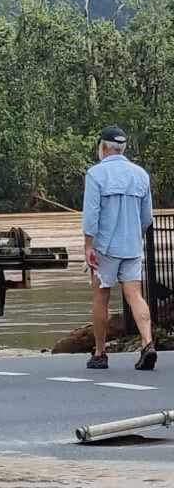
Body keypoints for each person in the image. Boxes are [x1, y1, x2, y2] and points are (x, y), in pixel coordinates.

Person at [81, 126, 156, 370]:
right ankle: (147, 343)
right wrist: (135, 236)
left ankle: (100, 353)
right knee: (135, 294)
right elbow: (147, 218)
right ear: (123, 148)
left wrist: (88, 246)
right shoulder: (141, 175)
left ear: (103, 148)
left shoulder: (96, 174)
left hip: (105, 248)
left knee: (101, 296)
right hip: (132, 246)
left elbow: (91, 216)